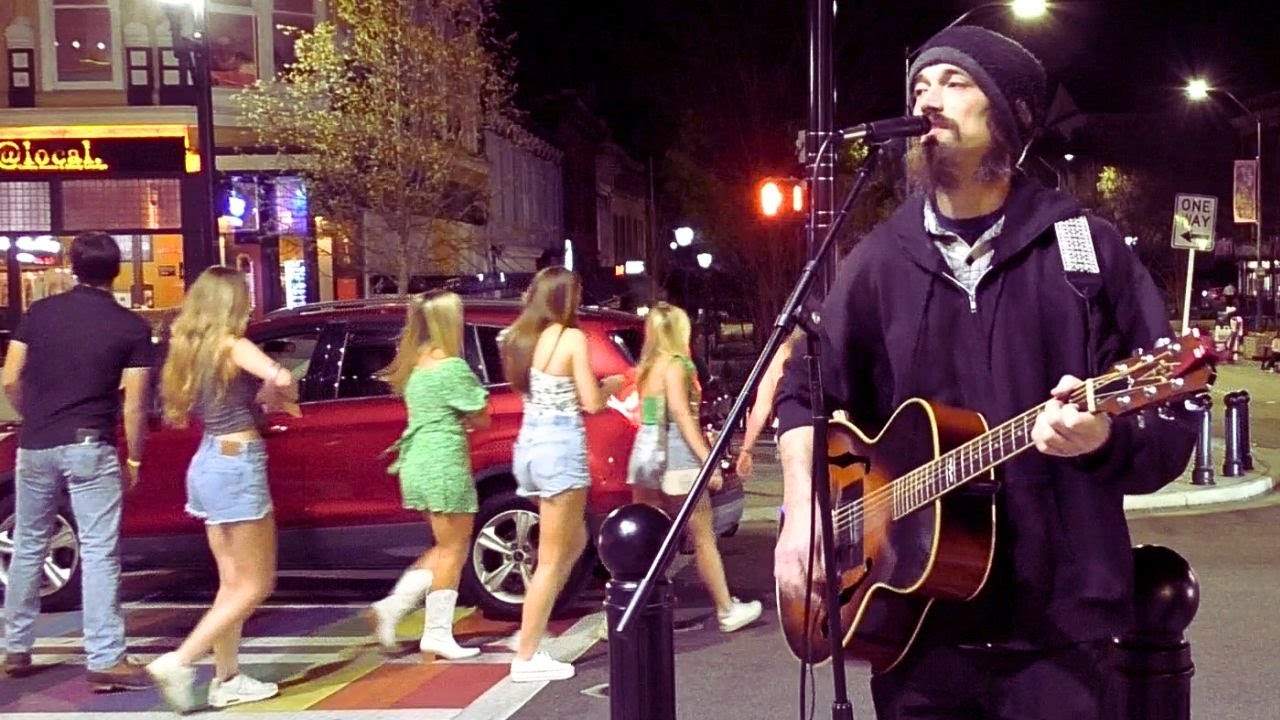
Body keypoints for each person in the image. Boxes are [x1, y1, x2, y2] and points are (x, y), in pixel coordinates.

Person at [771, 26, 1197, 720]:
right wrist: (802, 518)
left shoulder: (1087, 250)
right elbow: (803, 394)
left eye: (955, 83)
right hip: (913, 629)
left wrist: (1104, 442)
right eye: (919, 86)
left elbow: (1169, 431)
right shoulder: (880, 260)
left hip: (1058, 635)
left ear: (1012, 118)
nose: (929, 100)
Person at [1, 232, 153, 691]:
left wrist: (36, 417)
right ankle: (106, 656)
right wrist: (136, 461)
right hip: (91, 444)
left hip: (36, 444)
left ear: (72, 266)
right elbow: (134, 404)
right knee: (100, 549)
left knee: (29, 543)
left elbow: (9, 378)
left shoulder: (39, 314)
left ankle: (15, 647)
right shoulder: (130, 327)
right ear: (118, 270)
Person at [146, 266, 298, 712]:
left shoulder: (191, 347)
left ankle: (226, 678)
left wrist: (264, 391)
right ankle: (181, 659)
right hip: (237, 462)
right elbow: (283, 378)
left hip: (208, 459)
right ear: (232, 301)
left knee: (230, 583)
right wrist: (273, 384)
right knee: (256, 583)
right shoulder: (233, 345)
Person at [499, 266, 625, 682]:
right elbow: (591, 403)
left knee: (574, 542)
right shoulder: (571, 338)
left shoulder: (519, 339)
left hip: (529, 446)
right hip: (560, 449)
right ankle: (528, 653)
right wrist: (611, 386)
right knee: (551, 559)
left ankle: (531, 631)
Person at [626, 303, 762, 633]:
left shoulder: (648, 368)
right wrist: (709, 461)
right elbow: (684, 419)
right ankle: (726, 608)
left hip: (646, 456)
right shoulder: (676, 366)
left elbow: (648, 416)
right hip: (676, 458)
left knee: (644, 538)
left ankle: (623, 609)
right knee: (703, 535)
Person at [370, 290, 490, 659]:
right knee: (454, 550)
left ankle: (394, 606)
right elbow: (482, 417)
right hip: (444, 462)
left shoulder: (417, 364)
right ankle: (435, 632)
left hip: (417, 461)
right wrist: (469, 416)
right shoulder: (452, 367)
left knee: (443, 546)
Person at [734, 330, 802, 479]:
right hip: (834, 430)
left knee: (799, 488)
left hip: (793, 430)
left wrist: (746, 450)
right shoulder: (829, 345)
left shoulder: (783, 352)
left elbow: (761, 406)